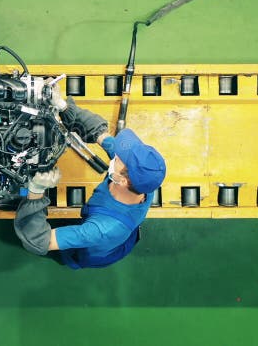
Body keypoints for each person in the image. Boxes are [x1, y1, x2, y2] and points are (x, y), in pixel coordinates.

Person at [14, 98, 166, 269]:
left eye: (118, 158)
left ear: (123, 180)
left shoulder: (101, 229)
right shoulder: (145, 180)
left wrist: (35, 192)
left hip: (91, 249)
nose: (115, 153)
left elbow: (38, 241)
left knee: (68, 251)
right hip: (112, 229)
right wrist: (65, 107)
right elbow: (99, 132)